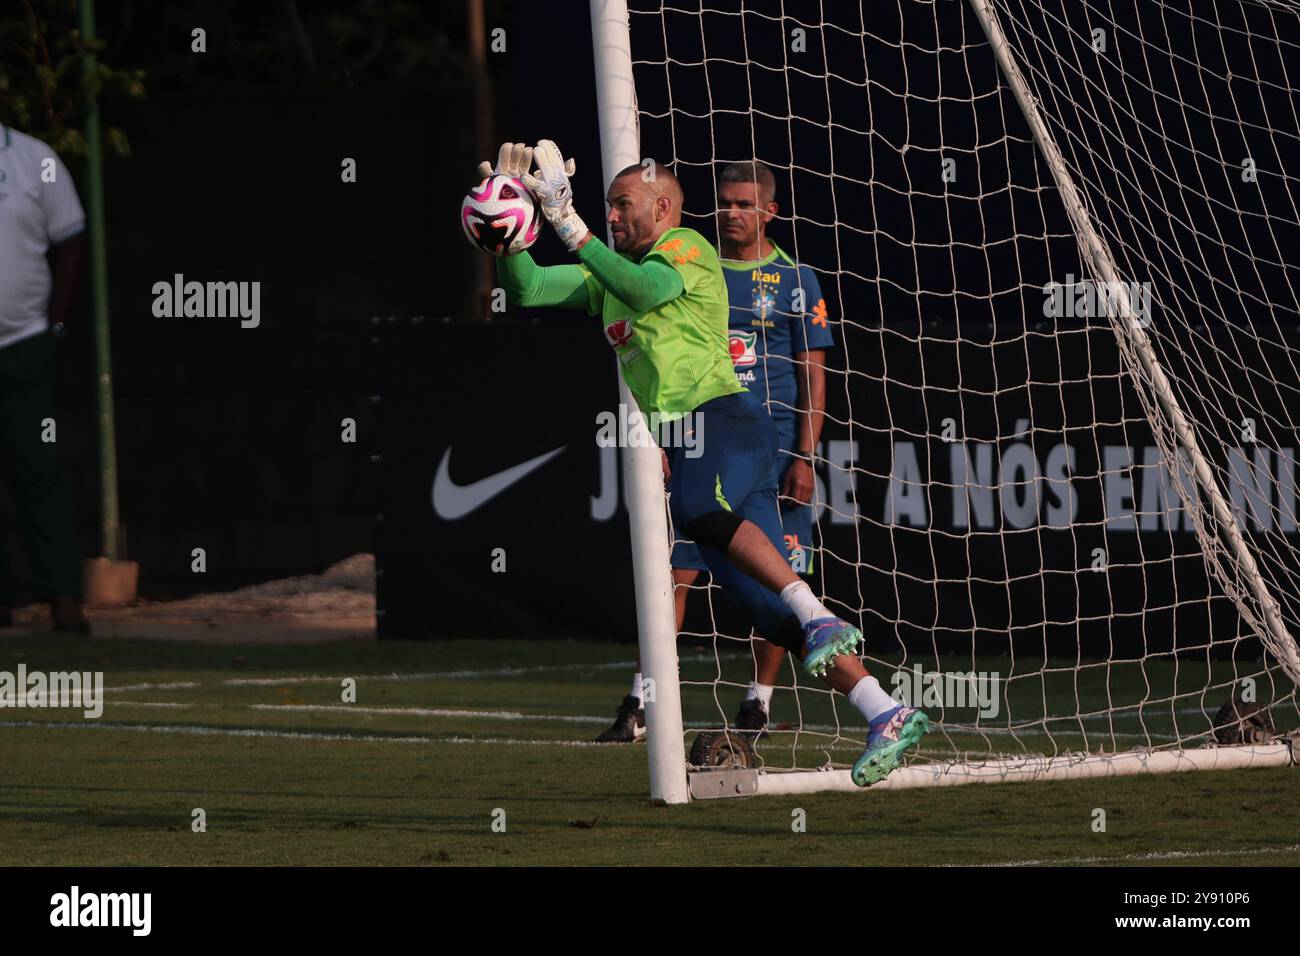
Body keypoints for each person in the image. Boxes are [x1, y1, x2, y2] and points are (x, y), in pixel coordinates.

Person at [483, 141, 927, 785]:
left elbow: (644, 286)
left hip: (725, 422)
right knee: (764, 613)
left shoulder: (686, 248)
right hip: (700, 438)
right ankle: (882, 708)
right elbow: (525, 292)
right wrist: (508, 222)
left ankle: (817, 611)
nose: (610, 216)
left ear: (662, 207)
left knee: (696, 511)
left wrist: (566, 222)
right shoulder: (602, 276)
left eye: (622, 205)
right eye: (604, 206)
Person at [595, 160, 833, 743]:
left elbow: (814, 373)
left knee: (776, 577)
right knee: (674, 570)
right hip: (703, 436)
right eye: (724, 201)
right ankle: (642, 700)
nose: (731, 212)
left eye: (745, 203)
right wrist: (662, 436)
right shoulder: (684, 260)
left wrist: (805, 455)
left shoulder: (797, 280)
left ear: (770, 211)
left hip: (768, 444)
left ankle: (759, 703)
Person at [0, 122, 90, 634]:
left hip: (24, 344)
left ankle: (63, 598)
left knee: (38, 469)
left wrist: (54, 324)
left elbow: (71, 238)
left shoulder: (35, 157)